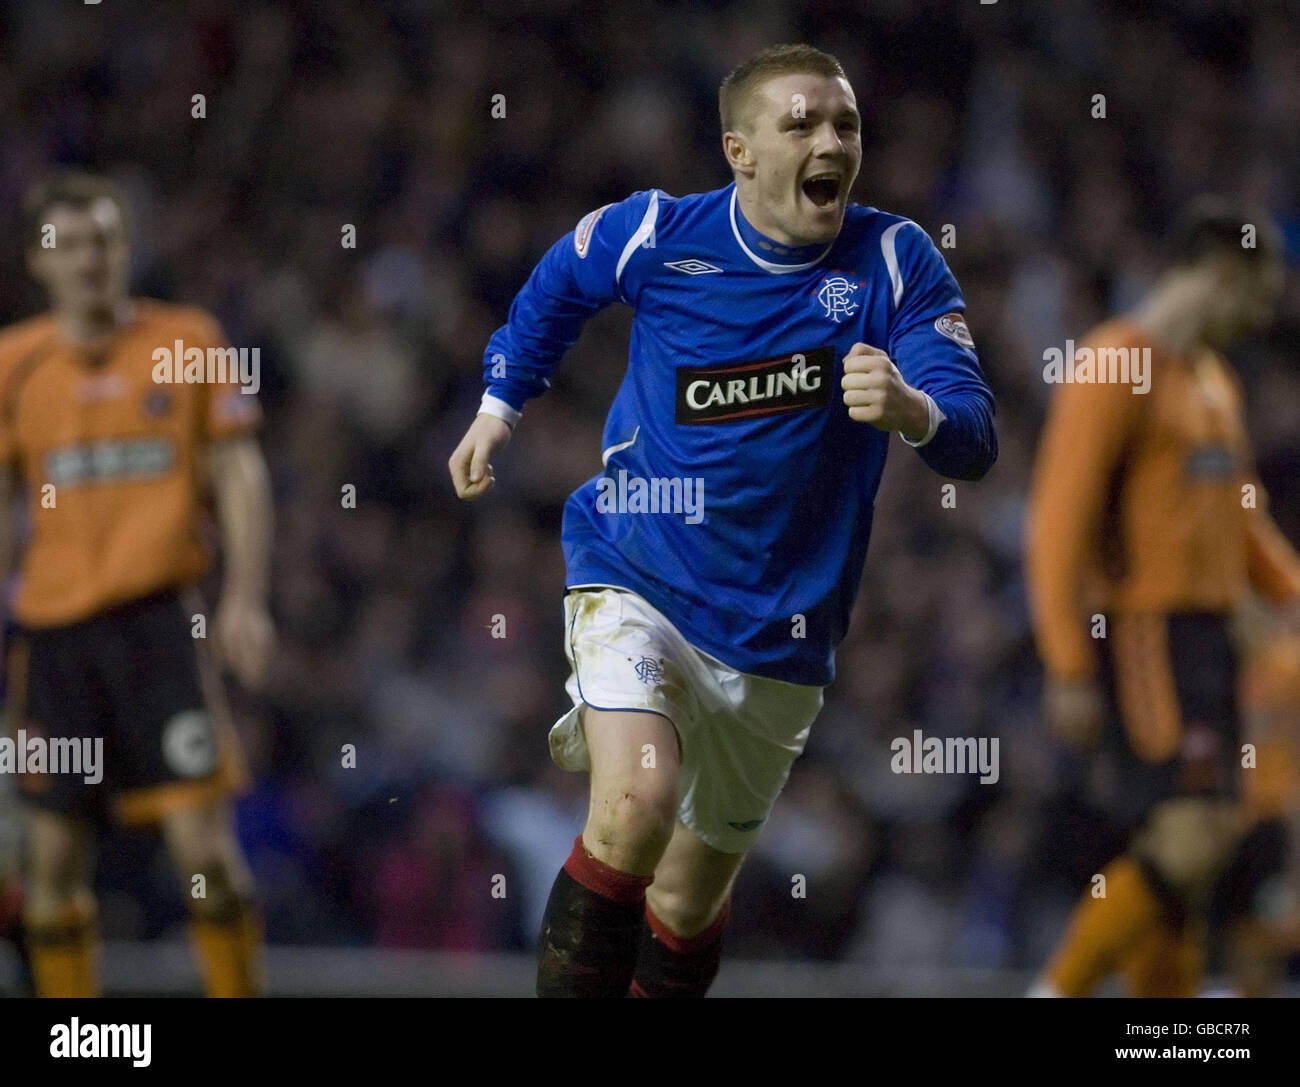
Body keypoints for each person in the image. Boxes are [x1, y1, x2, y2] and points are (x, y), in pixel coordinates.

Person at [450, 43, 996, 997]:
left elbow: (975, 436)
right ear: (740, 151)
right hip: (637, 567)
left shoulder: (895, 259)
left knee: (687, 903)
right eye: (802, 125)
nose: (831, 141)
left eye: (845, 124)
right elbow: (553, 290)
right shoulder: (657, 233)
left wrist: (916, 411)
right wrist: (501, 405)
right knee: (635, 801)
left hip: (780, 631)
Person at [0, 172, 274, 997]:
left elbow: (238, 469)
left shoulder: (186, 339)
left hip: (160, 631)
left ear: (128, 249)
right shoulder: (15, 364)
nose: (91, 259)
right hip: (53, 643)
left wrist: (244, 600)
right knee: (50, 859)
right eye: (71, 244)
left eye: (106, 240)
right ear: (38, 261)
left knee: (205, 857)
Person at [1026, 198, 1300, 996]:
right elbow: (1057, 523)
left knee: (1192, 864)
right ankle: (1056, 988)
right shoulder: (1115, 362)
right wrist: (1068, 663)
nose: (1265, 315)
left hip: (1213, 643)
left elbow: (1245, 521)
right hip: (1152, 631)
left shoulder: (1212, 382)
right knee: (1196, 835)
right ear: (1222, 271)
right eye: (1261, 292)